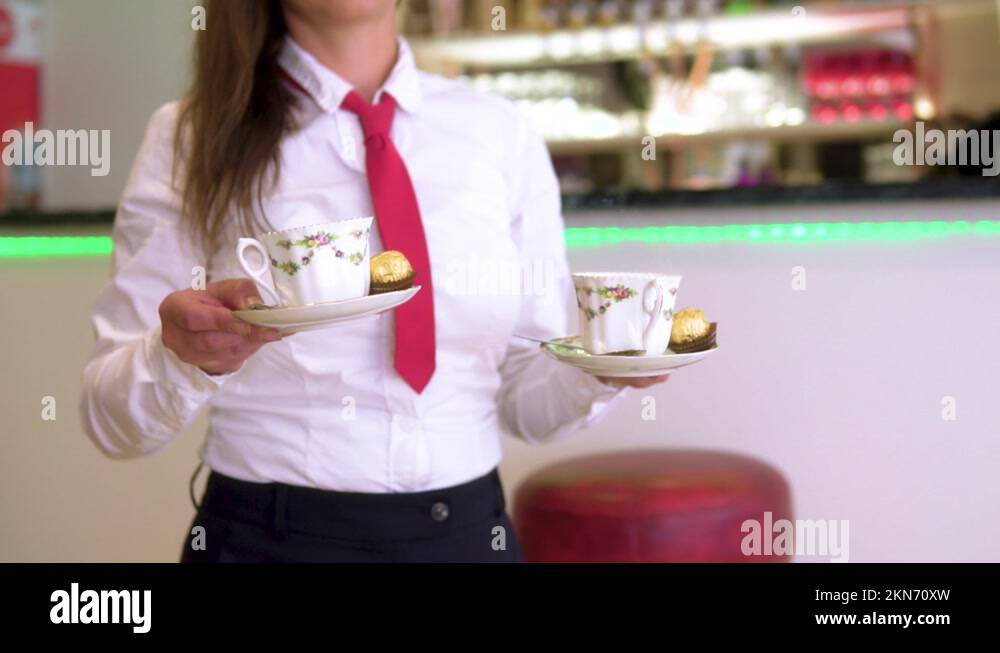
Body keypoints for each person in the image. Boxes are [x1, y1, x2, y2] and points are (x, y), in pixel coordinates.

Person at [80, 0, 668, 563]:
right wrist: (182, 358)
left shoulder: (500, 134)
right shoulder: (190, 135)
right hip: (270, 540)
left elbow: (524, 402)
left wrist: (601, 371)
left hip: (466, 537)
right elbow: (112, 421)